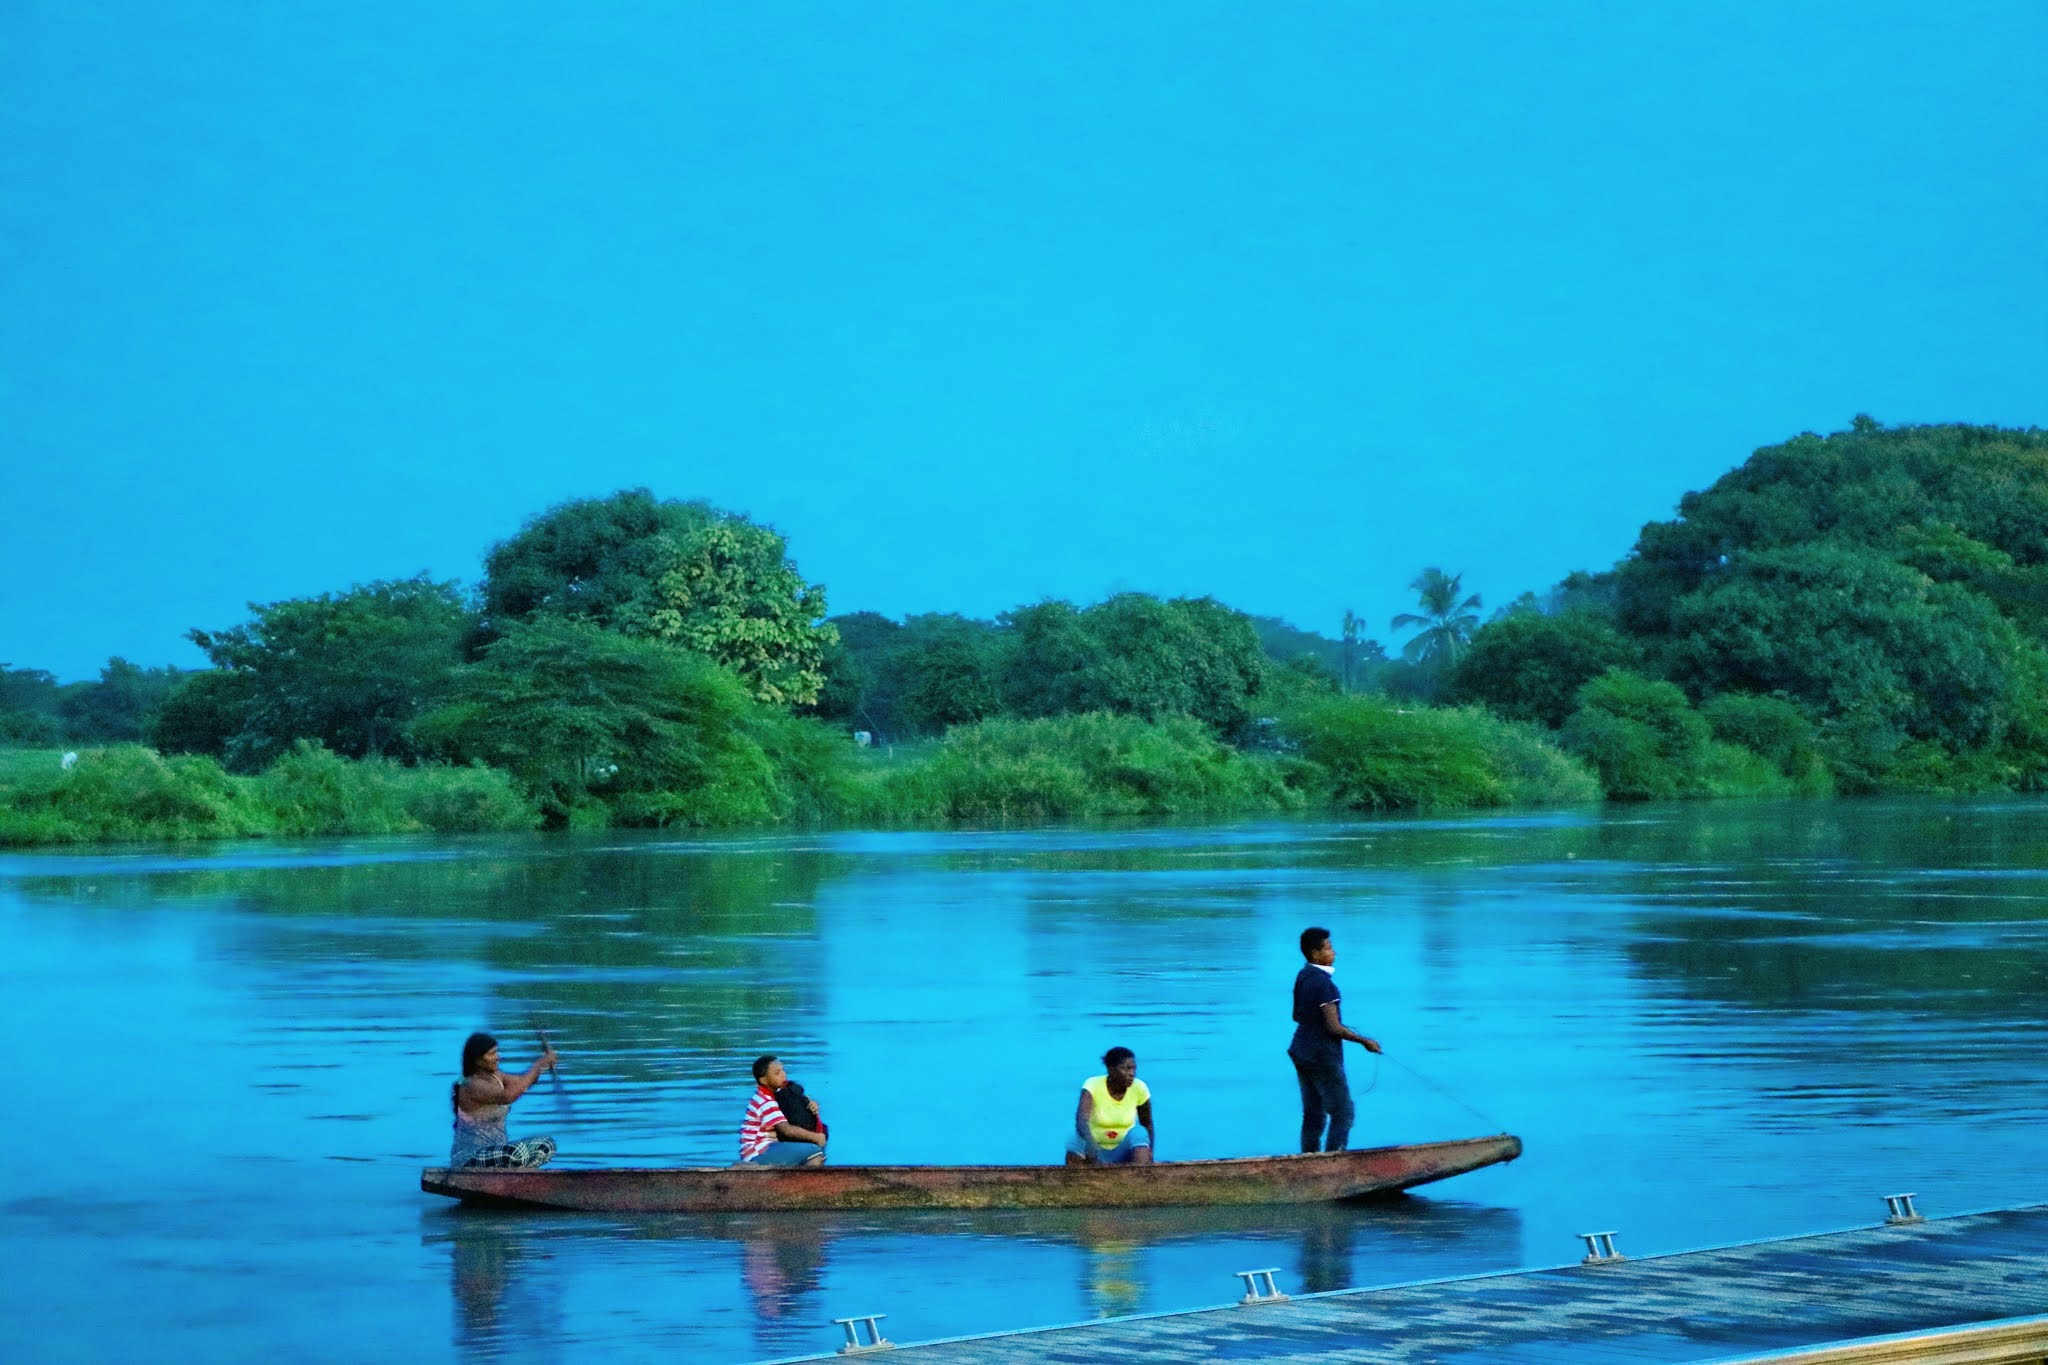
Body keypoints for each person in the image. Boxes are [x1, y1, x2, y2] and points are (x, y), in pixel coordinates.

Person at [1288, 926, 1380, 1153]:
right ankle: (1333, 1162)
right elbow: (1333, 1028)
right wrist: (1364, 1041)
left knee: (1314, 1112)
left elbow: (1297, 1015)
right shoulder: (1325, 985)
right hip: (1321, 1055)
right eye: (1328, 948)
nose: (1334, 952)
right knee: (1343, 1112)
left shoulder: (1304, 975)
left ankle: (1309, 1160)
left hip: (1301, 1050)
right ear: (1315, 953)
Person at [451, 1031, 559, 1168]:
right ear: (477, 1060)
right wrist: (538, 1065)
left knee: (547, 1145)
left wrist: (543, 1066)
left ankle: (519, 1176)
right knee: (517, 1153)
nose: (498, 1057)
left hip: (498, 1152)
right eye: (492, 1054)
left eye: (497, 1052)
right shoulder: (471, 1085)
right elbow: (507, 1096)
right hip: (471, 1157)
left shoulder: (497, 1076)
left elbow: (524, 1082)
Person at [1064, 1046, 1154, 1166]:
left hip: (1123, 1152)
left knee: (1139, 1133)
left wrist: (1150, 1154)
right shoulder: (1092, 1085)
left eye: (1133, 1069)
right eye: (1125, 1069)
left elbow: (1147, 1124)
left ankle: (1141, 1175)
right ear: (1110, 1069)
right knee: (1075, 1137)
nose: (1132, 1074)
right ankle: (1075, 1179)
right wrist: (1091, 1145)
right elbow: (1081, 1121)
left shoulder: (1139, 1088)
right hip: (1094, 1151)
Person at [739, 1055, 827, 1166]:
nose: (783, 1075)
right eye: (777, 1073)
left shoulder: (775, 1096)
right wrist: (816, 1137)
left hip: (769, 1148)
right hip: (757, 1152)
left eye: (783, 1070)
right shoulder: (765, 1101)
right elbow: (786, 1130)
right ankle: (802, 1182)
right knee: (815, 1151)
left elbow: (794, 1108)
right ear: (764, 1080)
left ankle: (796, 1182)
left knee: (814, 1154)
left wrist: (810, 1104)